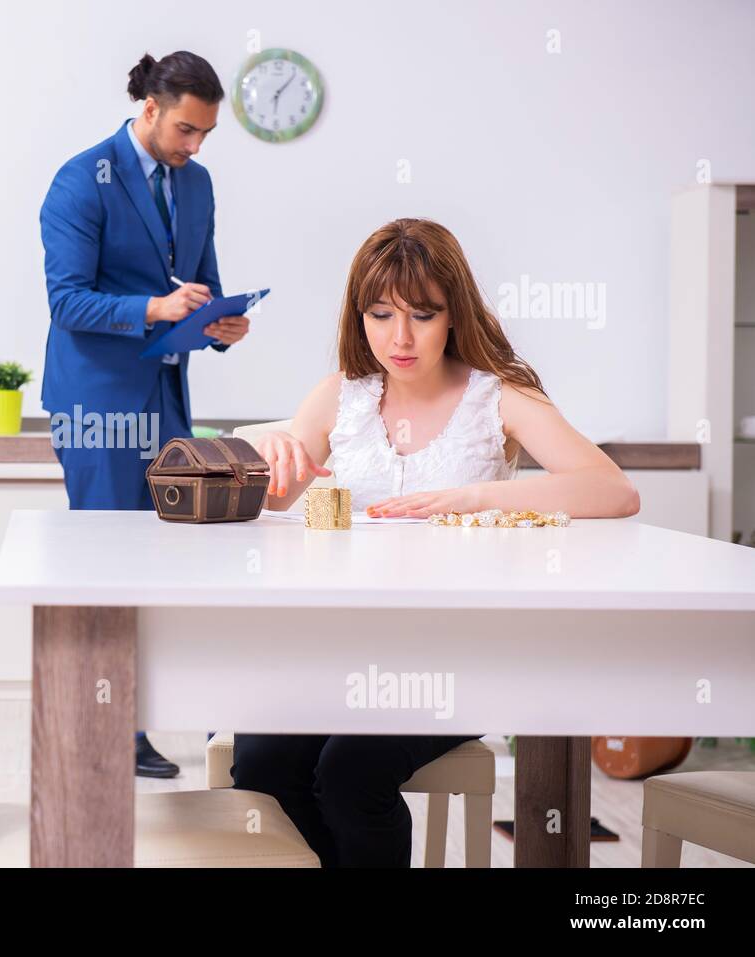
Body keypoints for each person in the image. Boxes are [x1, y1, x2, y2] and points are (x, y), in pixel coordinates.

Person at [233, 218, 639, 865]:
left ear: (455, 314)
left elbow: (612, 490)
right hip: (341, 645)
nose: (399, 335)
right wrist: (265, 450)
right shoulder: (341, 395)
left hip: (458, 652)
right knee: (260, 763)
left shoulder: (495, 394)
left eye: (423, 314)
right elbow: (268, 495)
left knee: (349, 774)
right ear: (357, 314)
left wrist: (472, 498)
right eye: (380, 312)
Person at [39, 51, 250, 777]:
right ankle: (104, 736)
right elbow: (66, 301)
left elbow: (205, 282)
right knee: (103, 567)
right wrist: (154, 308)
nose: (195, 146)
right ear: (151, 109)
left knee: (167, 565)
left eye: (207, 134)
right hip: (96, 403)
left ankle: (142, 724)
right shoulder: (80, 180)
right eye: (187, 129)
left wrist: (221, 322)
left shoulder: (198, 186)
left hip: (166, 400)